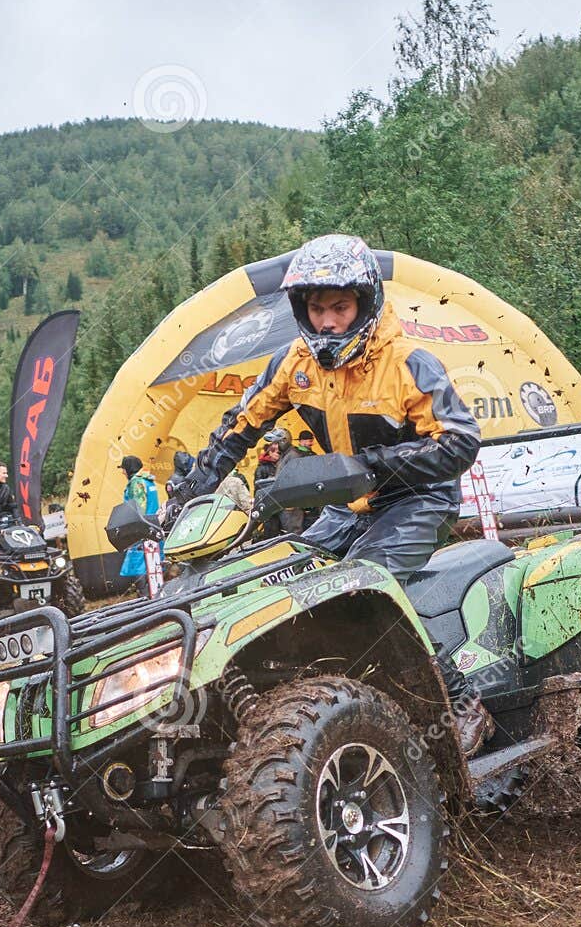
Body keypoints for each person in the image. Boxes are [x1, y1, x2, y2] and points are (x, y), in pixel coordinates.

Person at [167, 233, 489, 752]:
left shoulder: (409, 362)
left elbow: (460, 443)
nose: (328, 322)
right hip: (345, 505)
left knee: (361, 588)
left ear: (365, 302)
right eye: (316, 308)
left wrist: (373, 465)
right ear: (302, 309)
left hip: (417, 498)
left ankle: (461, 699)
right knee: (284, 582)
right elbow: (238, 428)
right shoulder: (292, 364)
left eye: (340, 306)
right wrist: (185, 494)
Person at [117, 455, 158, 584]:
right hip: (154, 526)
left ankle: (146, 596)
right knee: (154, 565)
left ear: (129, 468)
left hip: (142, 530)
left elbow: (138, 509)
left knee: (139, 565)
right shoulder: (148, 480)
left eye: (123, 469)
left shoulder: (136, 483)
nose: (122, 472)